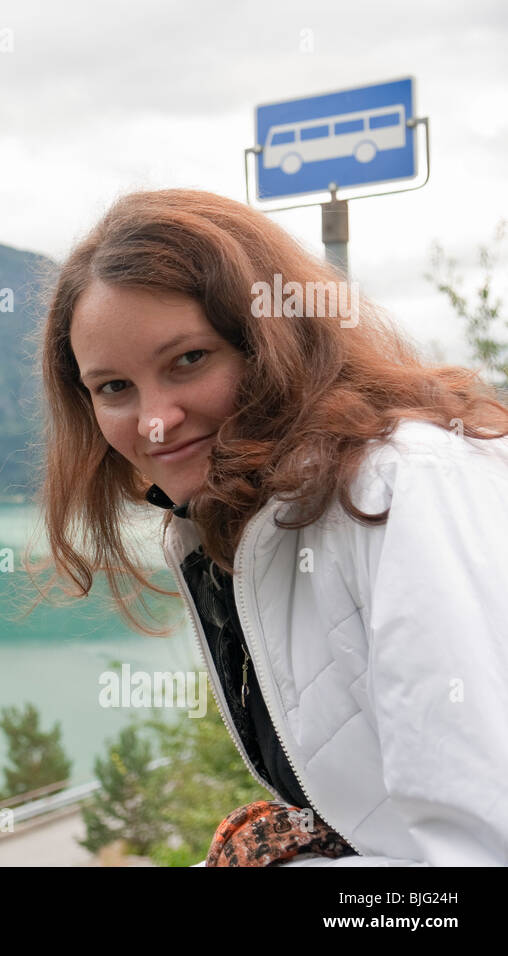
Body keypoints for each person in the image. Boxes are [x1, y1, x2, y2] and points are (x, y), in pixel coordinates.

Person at [25, 187, 508, 866]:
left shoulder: (406, 487)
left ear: (272, 343)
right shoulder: (240, 523)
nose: (155, 419)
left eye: (188, 359)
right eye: (114, 388)